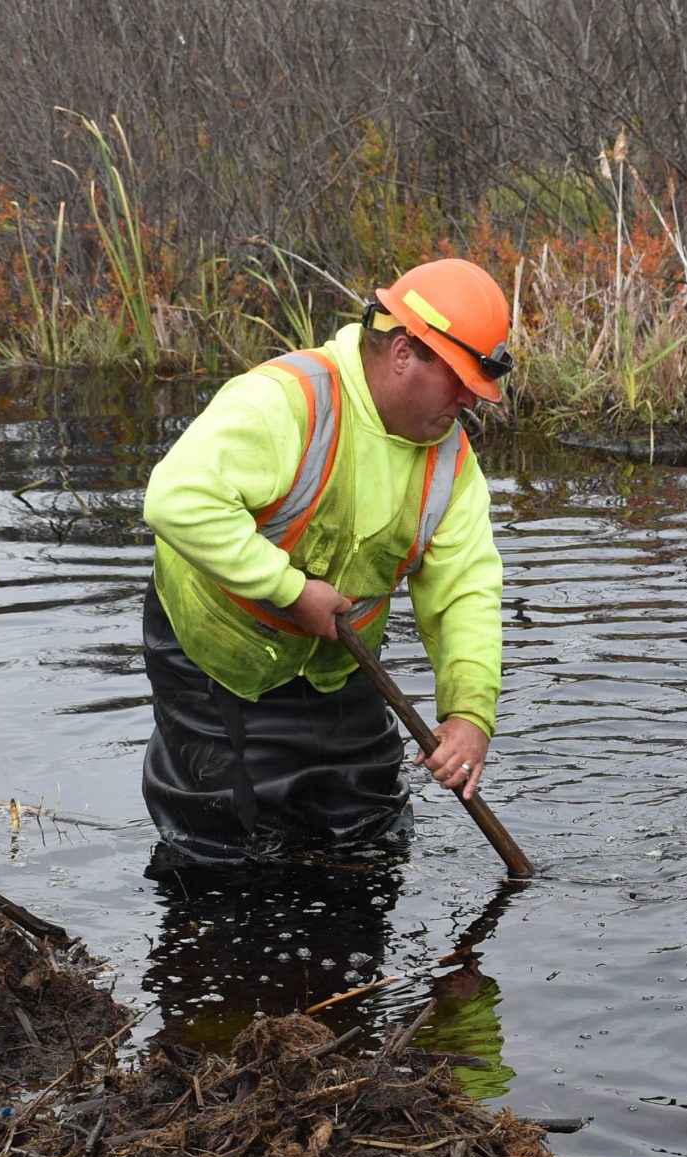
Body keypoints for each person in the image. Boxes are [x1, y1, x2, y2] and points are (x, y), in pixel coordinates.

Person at [139, 258, 513, 866]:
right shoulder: (286, 399)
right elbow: (175, 500)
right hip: (218, 651)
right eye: (460, 379)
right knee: (227, 849)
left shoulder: (451, 460)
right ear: (402, 351)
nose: (471, 400)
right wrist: (287, 590)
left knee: (371, 834)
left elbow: (465, 589)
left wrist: (470, 713)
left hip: (339, 659)